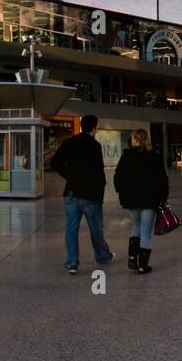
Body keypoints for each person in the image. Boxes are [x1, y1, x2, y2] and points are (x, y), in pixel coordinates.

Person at [49, 114, 114, 274]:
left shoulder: (69, 142)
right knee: (96, 229)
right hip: (90, 194)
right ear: (94, 128)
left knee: (71, 229)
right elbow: (99, 172)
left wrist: (69, 176)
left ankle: (72, 263)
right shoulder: (95, 145)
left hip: (71, 192)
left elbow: (54, 162)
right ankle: (101, 256)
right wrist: (100, 193)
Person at [113, 129, 170, 274]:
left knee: (136, 226)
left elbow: (117, 178)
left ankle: (132, 258)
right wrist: (163, 198)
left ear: (136, 140)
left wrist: (122, 194)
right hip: (149, 200)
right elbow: (162, 180)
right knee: (145, 232)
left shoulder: (126, 157)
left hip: (131, 200)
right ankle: (142, 266)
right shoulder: (154, 157)